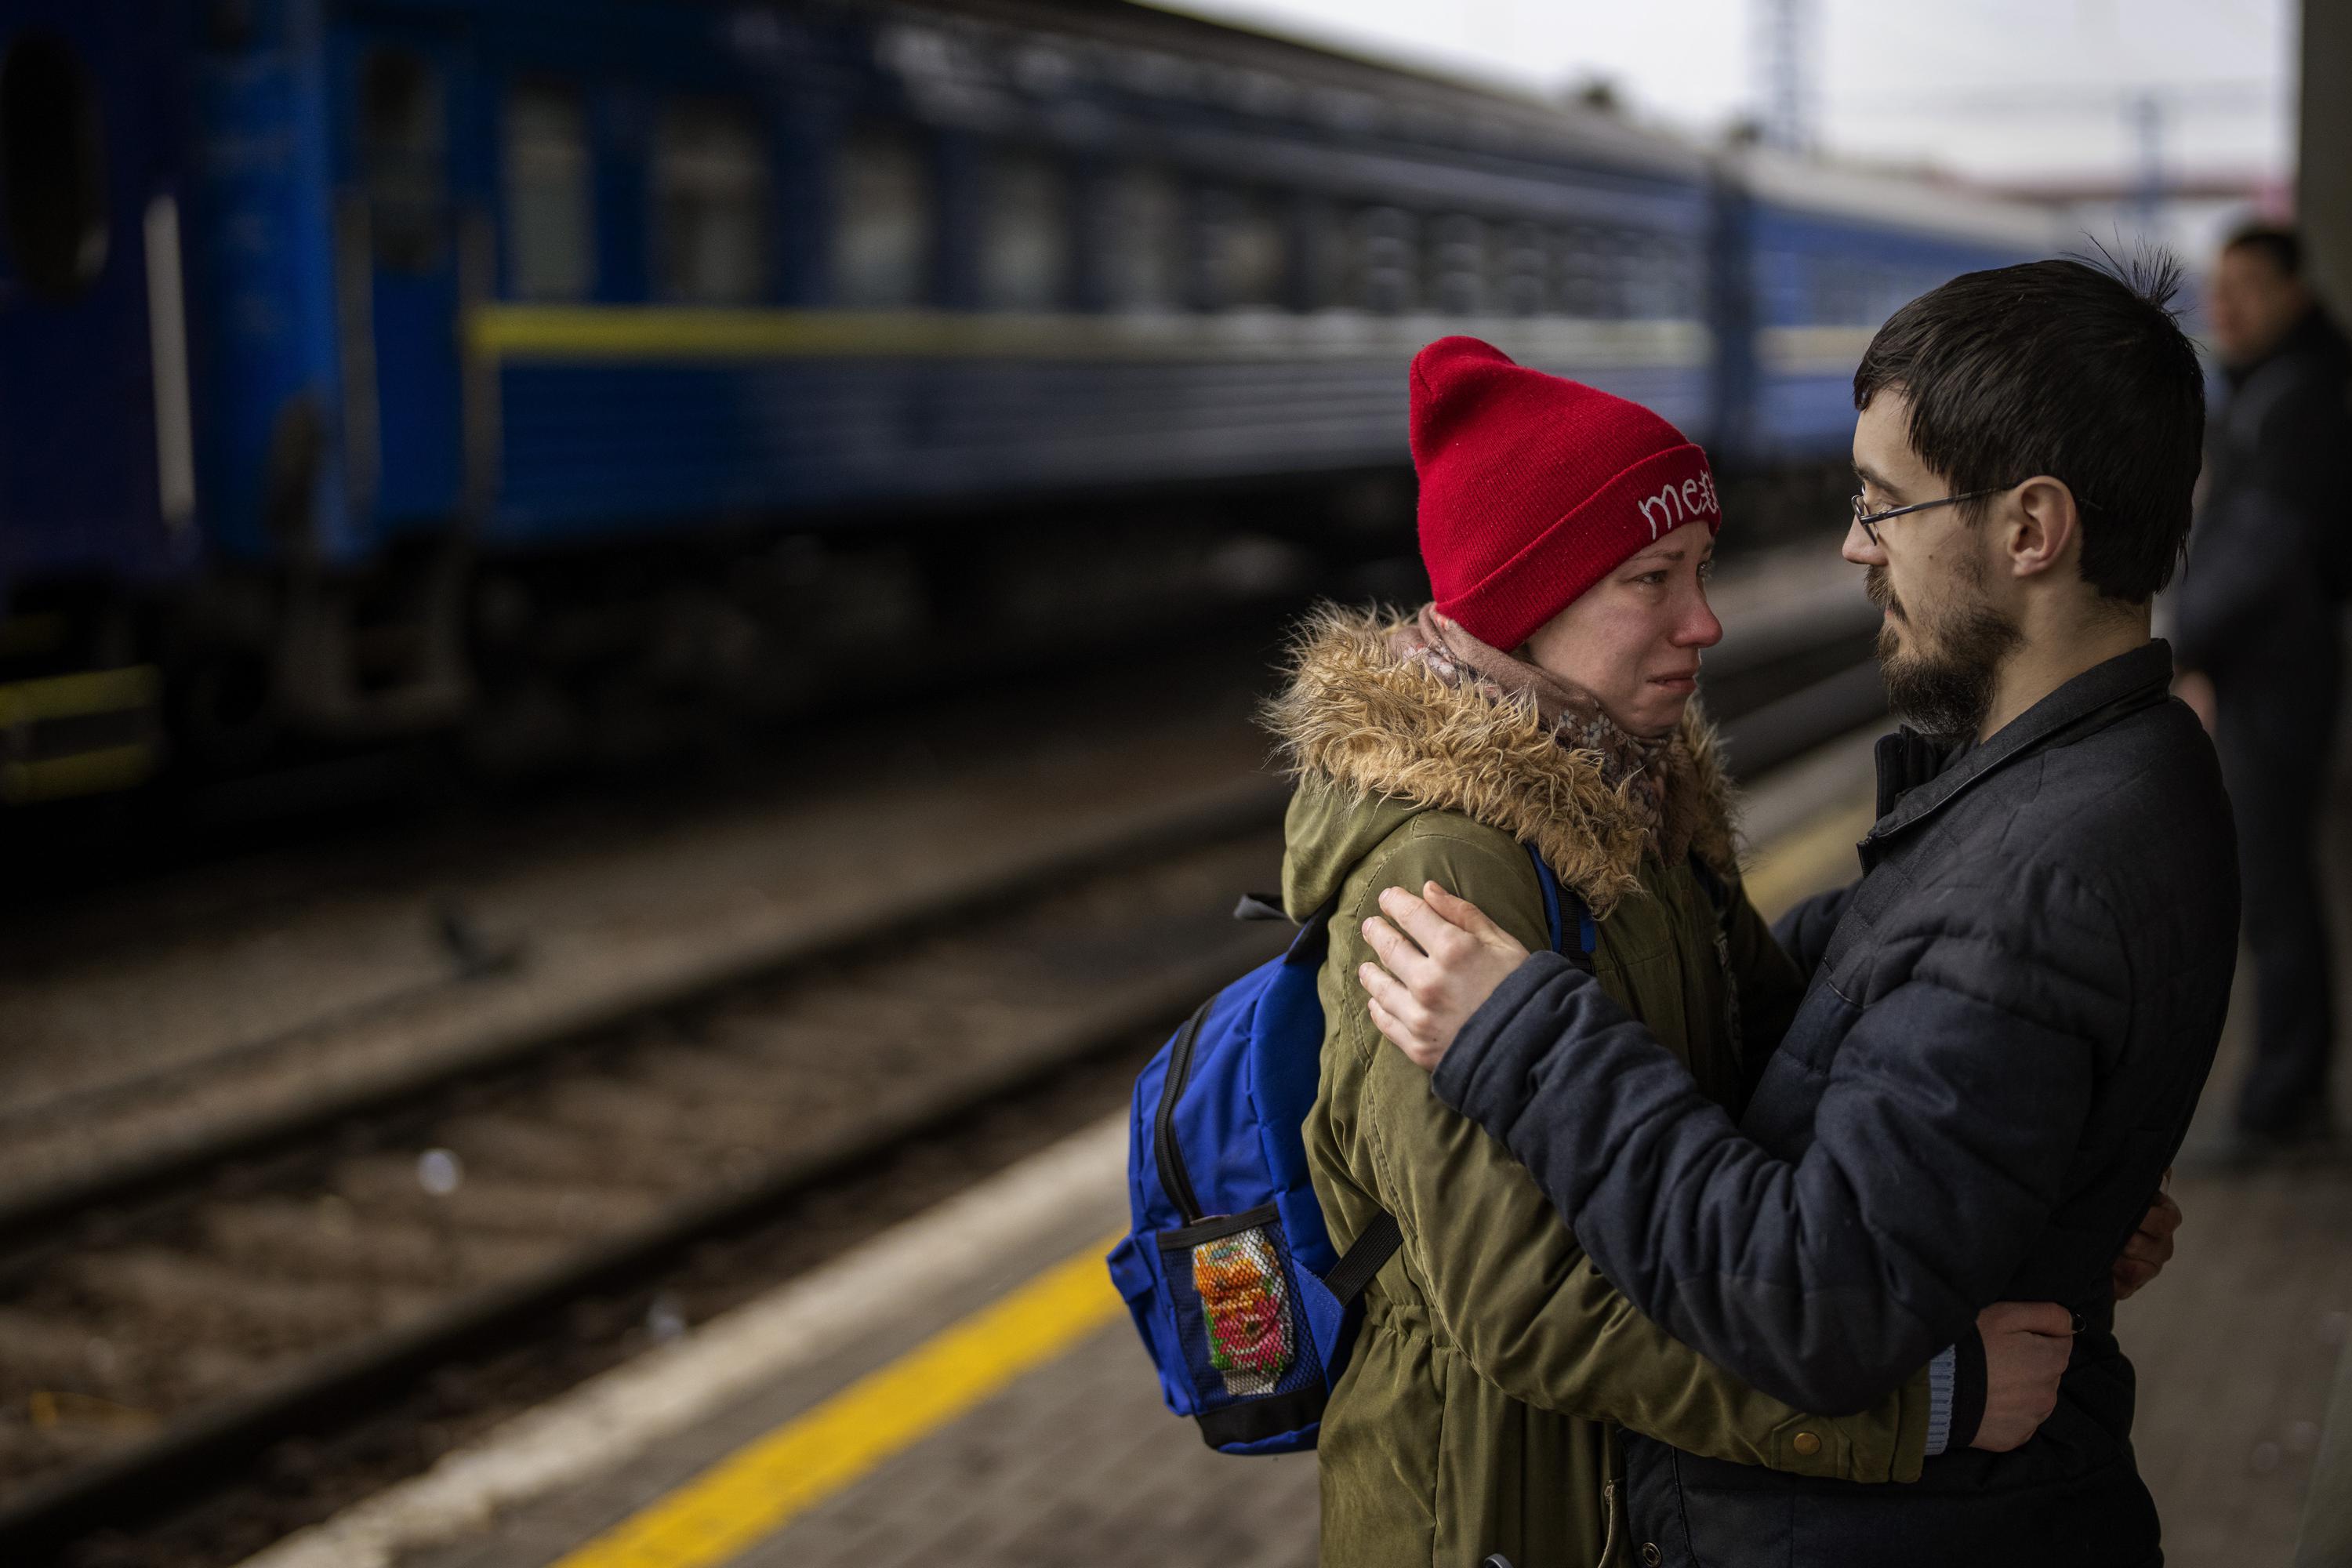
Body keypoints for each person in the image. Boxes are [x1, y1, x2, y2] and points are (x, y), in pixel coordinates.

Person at [1356, 261, 2230, 1566]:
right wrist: (2044, 1187)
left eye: (1884, 503)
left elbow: (1818, 1292)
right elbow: (1845, 1024)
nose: (1853, 546)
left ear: (2031, 531)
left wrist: (1527, 1038)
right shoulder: (2099, 778)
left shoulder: (2038, 871)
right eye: (1653, 578)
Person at [2173, 223, 2351, 1160]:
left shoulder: (2306, 395)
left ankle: (2284, 1101)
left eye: (2246, 283)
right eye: (2218, 283)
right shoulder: (2272, 386)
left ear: (2294, 290)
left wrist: (2182, 645)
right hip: (2264, 663)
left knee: (2275, 883)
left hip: (2281, 670)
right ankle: (2288, 1089)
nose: (2225, 302)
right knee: (2274, 881)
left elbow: (2268, 549)